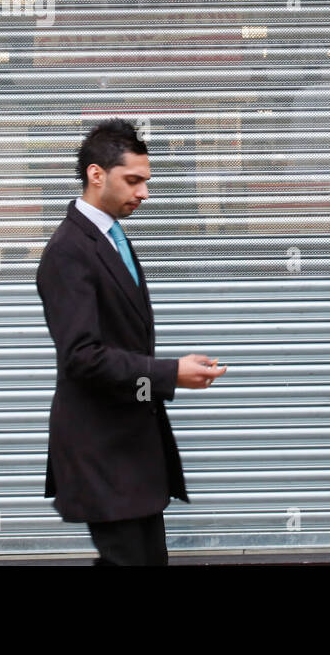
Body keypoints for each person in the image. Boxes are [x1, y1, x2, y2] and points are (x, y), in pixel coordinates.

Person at [37, 119, 226, 565]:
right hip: (101, 452)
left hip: (129, 448)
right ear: (96, 174)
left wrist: (167, 373)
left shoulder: (110, 238)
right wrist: (168, 373)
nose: (144, 193)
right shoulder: (69, 251)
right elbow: (82, 358)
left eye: (146, 181)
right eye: (134, 181)